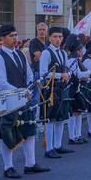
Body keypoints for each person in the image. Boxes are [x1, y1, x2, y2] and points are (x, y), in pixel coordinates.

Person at [0, 25, 48, 176]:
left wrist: (28, 90)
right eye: (11, 35)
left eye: (16, 35)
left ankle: (30, 163)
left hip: (23, 98)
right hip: (8, 100)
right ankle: (7, 167)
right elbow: (1, 83)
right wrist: (21, 92)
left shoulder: (21, 54)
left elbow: (29, 75)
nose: (15, 38)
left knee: (29, 130)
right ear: (2, 38)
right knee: (8, 133)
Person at [39, 27, 73, 157]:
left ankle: (58, 145)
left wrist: (68, 74)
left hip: (62, 88)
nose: (58, 39)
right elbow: (43, 74)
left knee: (60, 118)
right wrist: (61, 75)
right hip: (51, 90)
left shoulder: (63, 53)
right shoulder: (46, 53)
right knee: (50, 119)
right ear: (49, 38)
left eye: (60, 37)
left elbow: (67, 68)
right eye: (55, 37)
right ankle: (49, 148)